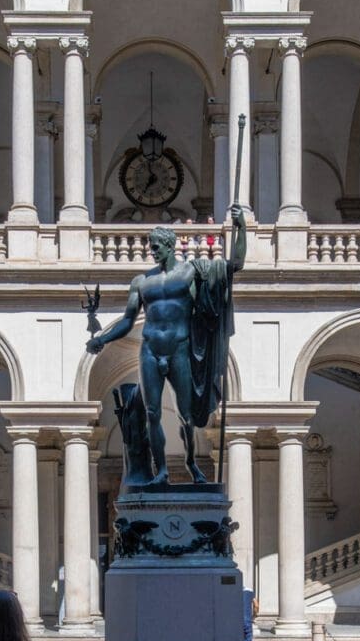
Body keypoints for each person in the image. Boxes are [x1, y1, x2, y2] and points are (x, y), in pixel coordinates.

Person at [85, 204, 247, 484]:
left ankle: (191, 465)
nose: (153, 250)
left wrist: (241, 227)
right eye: (152, 246)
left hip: (179, 349)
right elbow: (127, 320)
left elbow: (235, 266)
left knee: (186, 414)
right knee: (152, 413)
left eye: (157, 246)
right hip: (149, 350)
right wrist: (102, 338)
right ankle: (161, 471)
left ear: (170, 246)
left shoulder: (191, 272)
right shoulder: (141, 282)